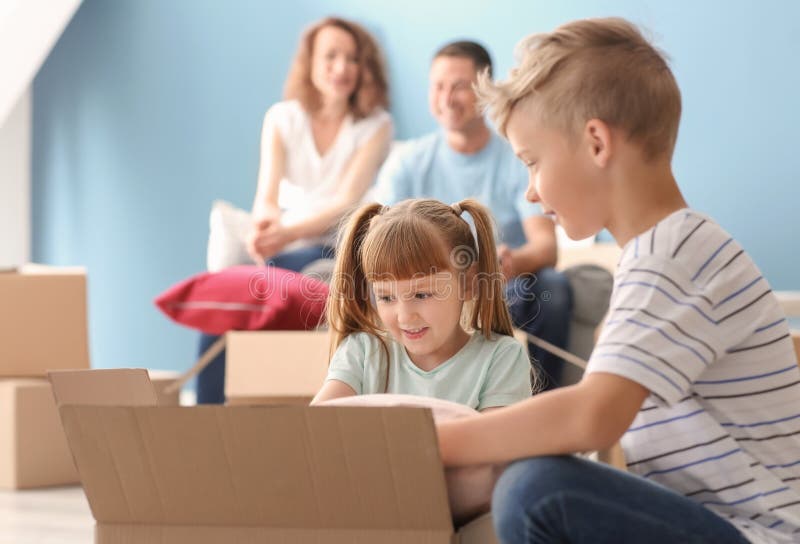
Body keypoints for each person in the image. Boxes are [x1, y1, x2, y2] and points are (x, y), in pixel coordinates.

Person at [436, 17, 800, 543]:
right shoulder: (658, 255)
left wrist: (431, 441)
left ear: (596, 143)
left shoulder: (673, 254)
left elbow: (592, 417)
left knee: (535, 489)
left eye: (533, 162)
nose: (532, 192)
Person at [197, 16, 393, 404]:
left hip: (337, 249)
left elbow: (348, 203)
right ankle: (207, 420)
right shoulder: (282, 118)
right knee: (222, 301)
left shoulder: (376, 126)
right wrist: (266, 226)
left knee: (296, 275)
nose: (342, 68)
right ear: (310, 63)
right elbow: (266, 196)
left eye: (353, 59)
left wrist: (285, 233)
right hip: (285, 250)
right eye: (331, 56)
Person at [375, 40, 571, 390]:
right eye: (438, 86)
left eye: (460, 87)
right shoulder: (407, 163)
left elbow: (546, 247)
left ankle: (541, 403)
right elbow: (376, 242)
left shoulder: (517, 157)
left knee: (552, 290)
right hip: (423, 288)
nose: (447, 98)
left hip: (500, 286)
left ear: (484, 91)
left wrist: (508, 261)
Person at [311, 198, 531, 411]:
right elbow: (316, 430)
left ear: (469, 282)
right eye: (386, 298)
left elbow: (493, 444)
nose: (405, 316)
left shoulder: (502, 358)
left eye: (422, 295)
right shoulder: (361, 352)